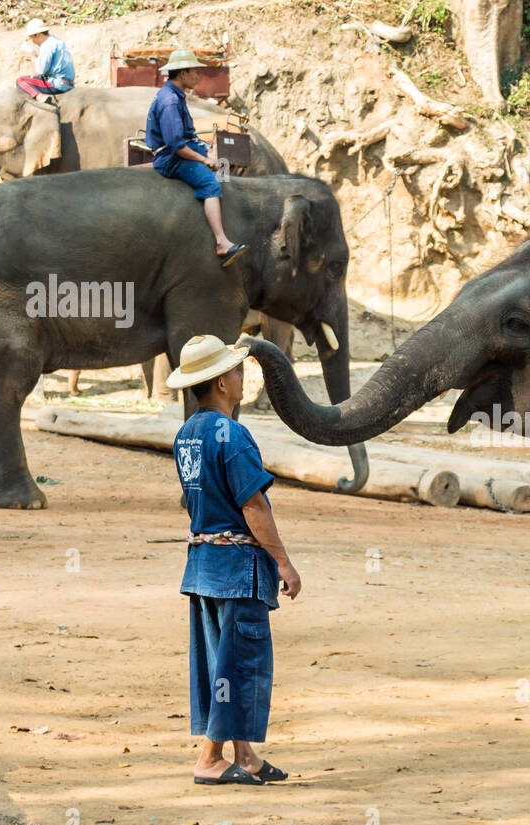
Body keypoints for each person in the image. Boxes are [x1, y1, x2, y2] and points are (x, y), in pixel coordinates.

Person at [168, 335, 302, 785]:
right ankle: (209, 759)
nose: (242, 378)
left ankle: (244, 755)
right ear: (223, 381)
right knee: (239, 663)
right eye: (238, 371)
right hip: (236, 572)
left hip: (203, 568)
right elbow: (253, 507)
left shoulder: (185, 435)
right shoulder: (233, 435)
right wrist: (283, 563)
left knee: (216, 661)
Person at [146, 50, 245, 267]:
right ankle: (221, 242)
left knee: (224, 165)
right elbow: (176, 145)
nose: (197, 76)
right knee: (209, 182)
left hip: (183, 148)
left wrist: (208, 151)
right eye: (194, 71)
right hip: (170, 157)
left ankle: (222, 211)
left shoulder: (176, 96)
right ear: (182, 74)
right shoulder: (169, 101)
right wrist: (203, 160)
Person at [16, 18, 75, 98]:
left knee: (21, 80)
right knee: (35, 78)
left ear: (38, 34)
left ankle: (39, 97)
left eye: (32, 37)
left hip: (57, 83)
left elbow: (41, 70)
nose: (32, 41)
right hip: (67, 81)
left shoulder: (47, 45)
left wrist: (32, 57)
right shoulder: (57, 41)